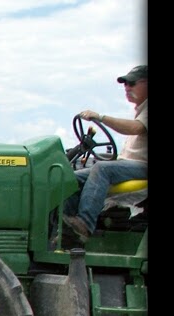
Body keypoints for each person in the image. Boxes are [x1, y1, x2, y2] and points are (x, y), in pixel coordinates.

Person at [62, 65, 147, 242]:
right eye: (125, 84)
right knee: (71, 178)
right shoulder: (140, 110)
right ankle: (65, 228)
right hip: (129, 164)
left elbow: (135, 128)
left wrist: (101, 118)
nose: (127, 88)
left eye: (131, 83)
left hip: (142, 167)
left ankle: (84, 224)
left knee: (102, 169)